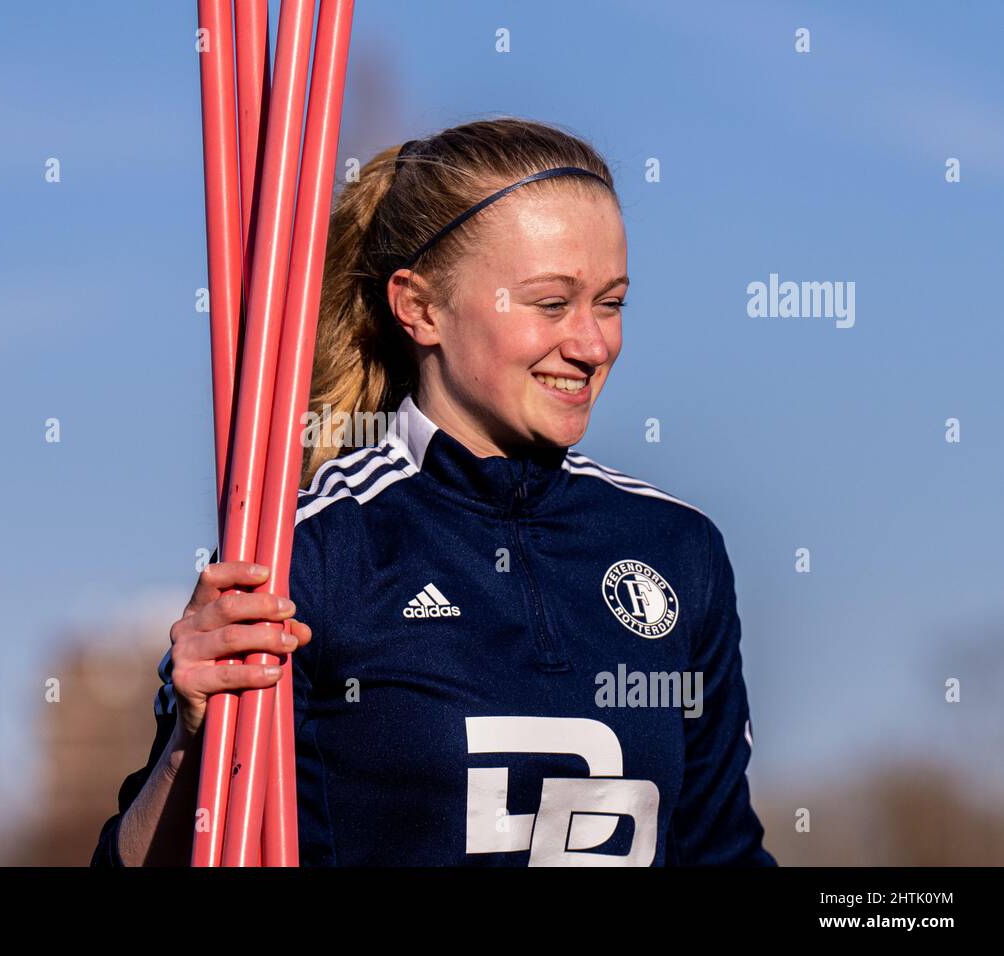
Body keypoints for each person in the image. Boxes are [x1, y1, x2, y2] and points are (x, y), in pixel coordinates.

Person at [92, 117, 776, 866]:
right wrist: (193, 742)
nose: (592, 344)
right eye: (552, 304)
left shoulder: (676, 549)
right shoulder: (310, 553)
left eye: (610, 303)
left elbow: (723, 851)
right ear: (418, 307)